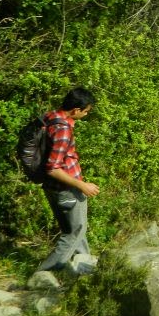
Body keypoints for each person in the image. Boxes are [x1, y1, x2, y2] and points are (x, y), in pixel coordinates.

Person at [38, 87, 100, 273]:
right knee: (74, 232)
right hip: (66, 188)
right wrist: (82, 185)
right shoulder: (63, 131)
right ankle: (44, 273)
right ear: (76, 110)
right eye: (86, 111)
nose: (87, 114)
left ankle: (84, 268)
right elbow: (53, 168)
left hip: (52, 188)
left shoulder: (50, 117)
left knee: (75, 228)